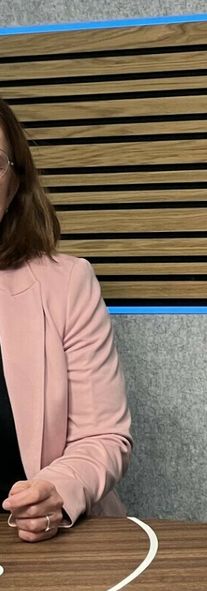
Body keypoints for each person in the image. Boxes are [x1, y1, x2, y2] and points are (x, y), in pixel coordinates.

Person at [0, 98, 131, 543]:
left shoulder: (67, 283)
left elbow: (103, 437)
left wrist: (56, 492)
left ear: (14, 184)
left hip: (47, 549)